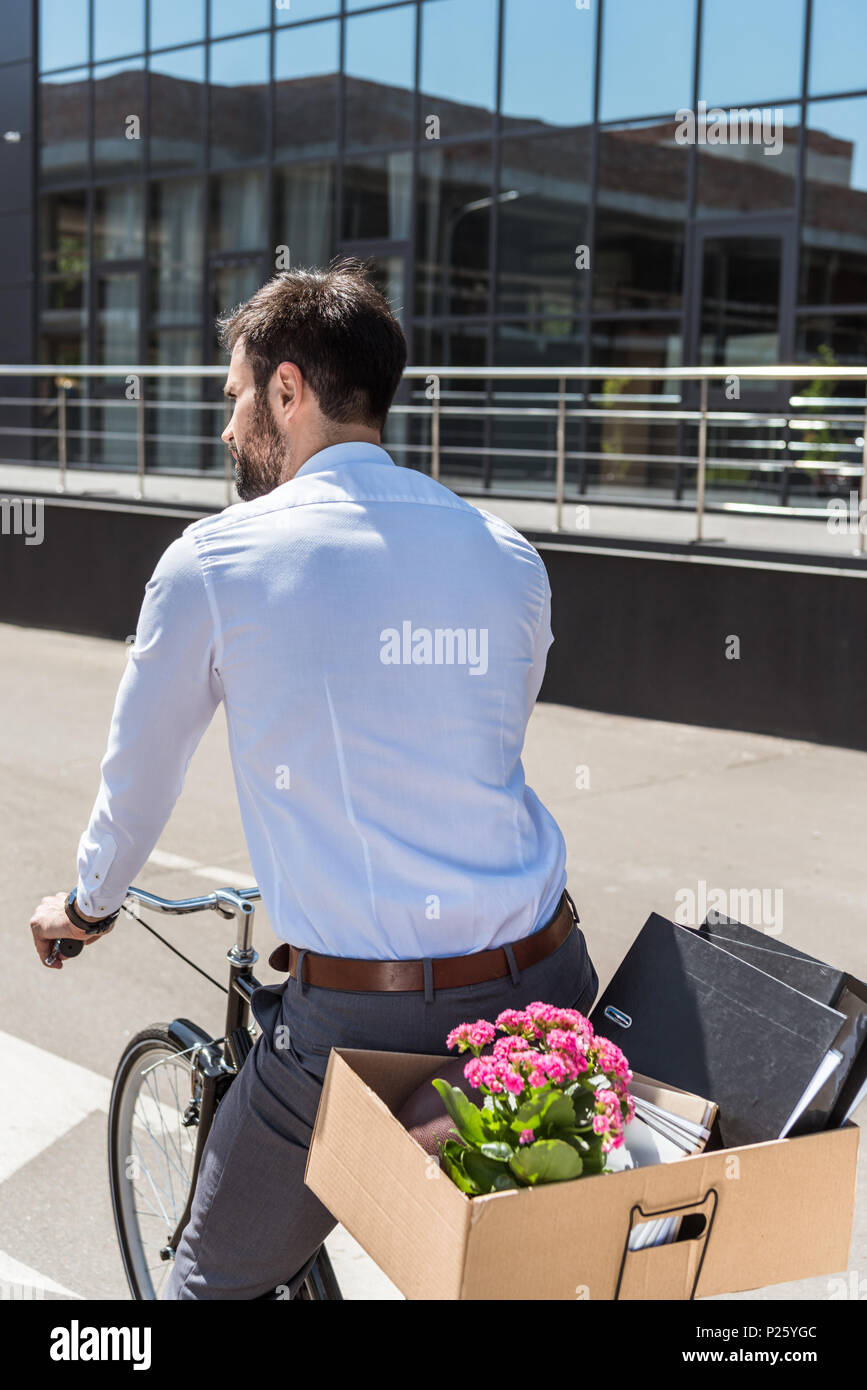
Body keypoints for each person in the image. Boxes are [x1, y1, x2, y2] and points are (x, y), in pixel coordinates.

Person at [29, 260, 598, 1299]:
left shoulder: (217, 560)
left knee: (207, 1282)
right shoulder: (510, 555)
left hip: (368, 1025)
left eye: (235, 393)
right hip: (551, 985)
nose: (227, 424)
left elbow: (140, 772)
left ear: (288, 389)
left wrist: (87, 904)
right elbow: (470, 750)